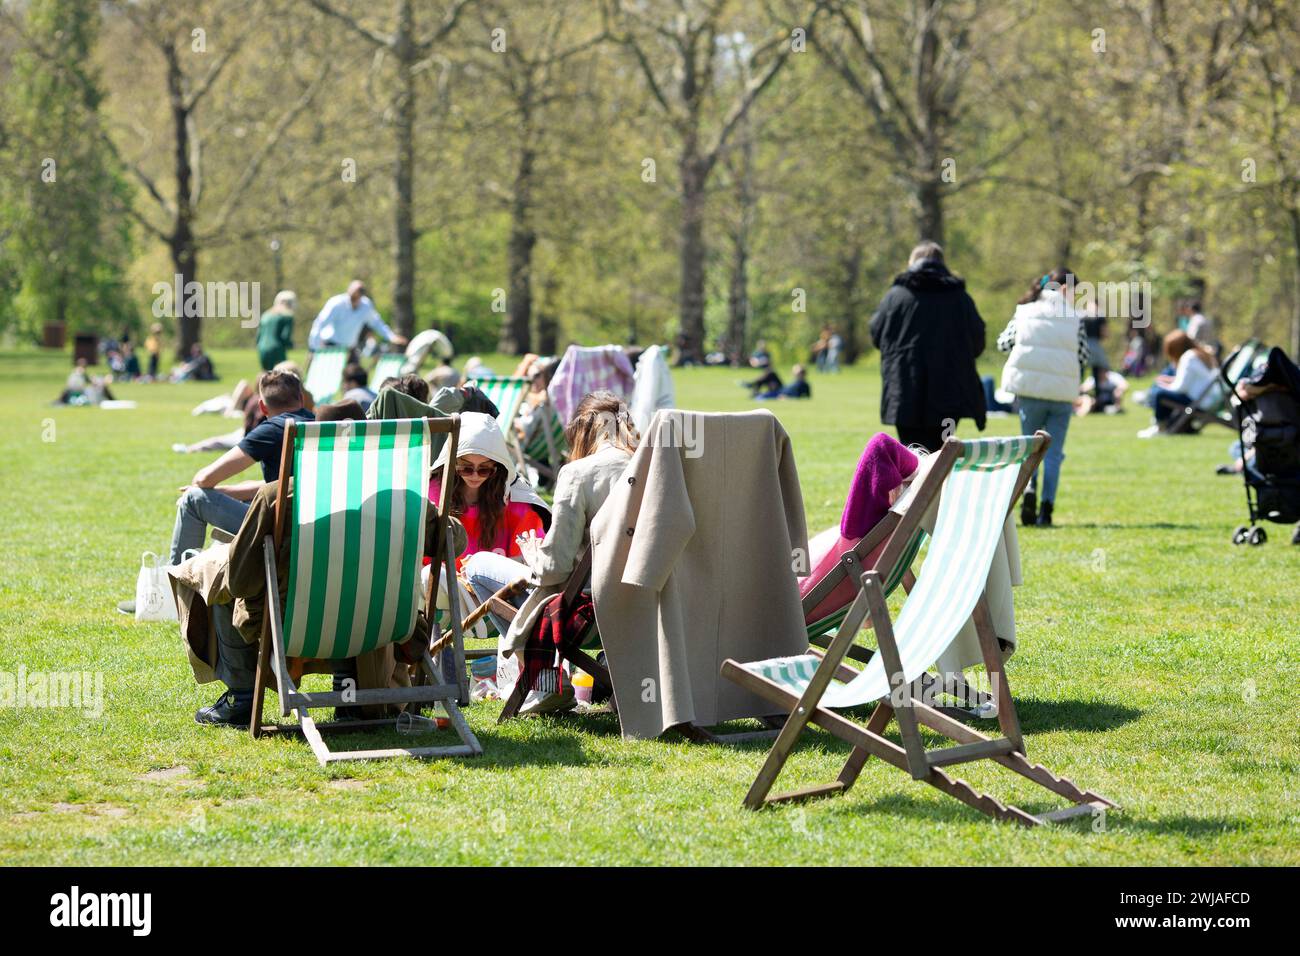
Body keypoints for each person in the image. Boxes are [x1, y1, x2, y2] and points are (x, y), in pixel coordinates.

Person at [465, 392, 639, 713]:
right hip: (649, 610)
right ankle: (599, 685)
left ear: (583, 431)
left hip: (591, 616)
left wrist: (534, 556)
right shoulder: (657, 469)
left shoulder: (579, 473)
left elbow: (555, 569)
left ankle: (545, 679)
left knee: (477, 566)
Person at [869, 241, 987, 452]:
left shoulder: (895, 296)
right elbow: (978, 342)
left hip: (904, 389)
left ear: (912, 262)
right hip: (949, 392)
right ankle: (937, 486)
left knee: (910, 455)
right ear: (943, 264)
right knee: (941, 455)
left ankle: (914, 486)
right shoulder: (960, 297)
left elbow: (877, 336)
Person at [996, 268, 1090, 527]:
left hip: (1030, 392)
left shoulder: (1024, 311)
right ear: (1065, 289)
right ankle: (1047, 508)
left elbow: (1004, 343)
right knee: (1054, 453)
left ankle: (1029, 490)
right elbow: (1083, 355)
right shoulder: (1074, 317)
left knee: (1030, 449)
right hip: (1061, 394)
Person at [1137, 330, 1218, 438]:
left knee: (1159, 393)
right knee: (1160, 390)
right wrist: (1170, 381)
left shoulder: (1188, 357)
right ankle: (1162, 425)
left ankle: (1160, 427)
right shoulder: (1199, 354)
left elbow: (1181, 388)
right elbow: (1191, 381)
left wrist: (1164, 386)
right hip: (1208, 400)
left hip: (1199, 402)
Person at [306, 280, 407, 355]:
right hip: (331, 345)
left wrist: (391, 336)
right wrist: (313, 347)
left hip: (350, 348)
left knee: (356, 376)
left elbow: (376, 323)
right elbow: (320, 323)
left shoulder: (366, 305)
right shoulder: (336, 303)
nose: (355, 298)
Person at [256, 290, 297, 371]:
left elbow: (258, 336)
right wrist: (291, 345)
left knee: (266, 376)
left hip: (262, 348)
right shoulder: (287, 316)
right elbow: (285, 337)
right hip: (277, 349)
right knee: (282, 376)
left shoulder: (266, 315)